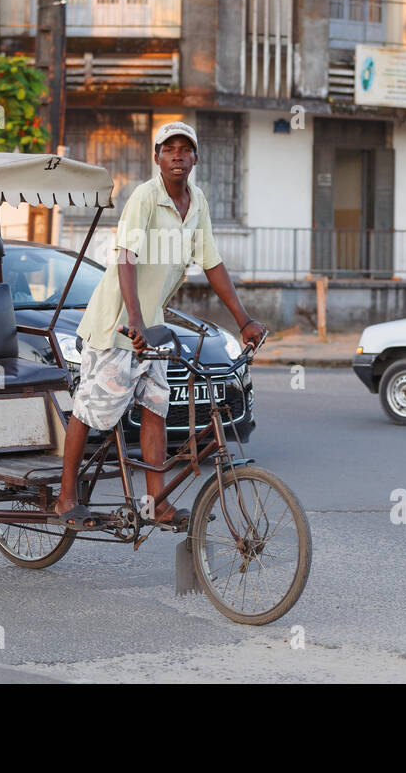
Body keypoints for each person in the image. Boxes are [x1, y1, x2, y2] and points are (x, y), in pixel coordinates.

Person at [54, 121, 268, 530]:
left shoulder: (197, 201)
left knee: (156, 408)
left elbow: (212, 262)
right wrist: (132, 320)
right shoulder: (145, 198)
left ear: (195, 158)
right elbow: (126, 257)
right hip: (115, 324)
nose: (177, 156)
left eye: (185, 149)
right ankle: (66, 498)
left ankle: (157, 503)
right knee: (91, 409)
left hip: (150, 327)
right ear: (157, 157)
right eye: (168, 149)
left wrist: (243, 320)